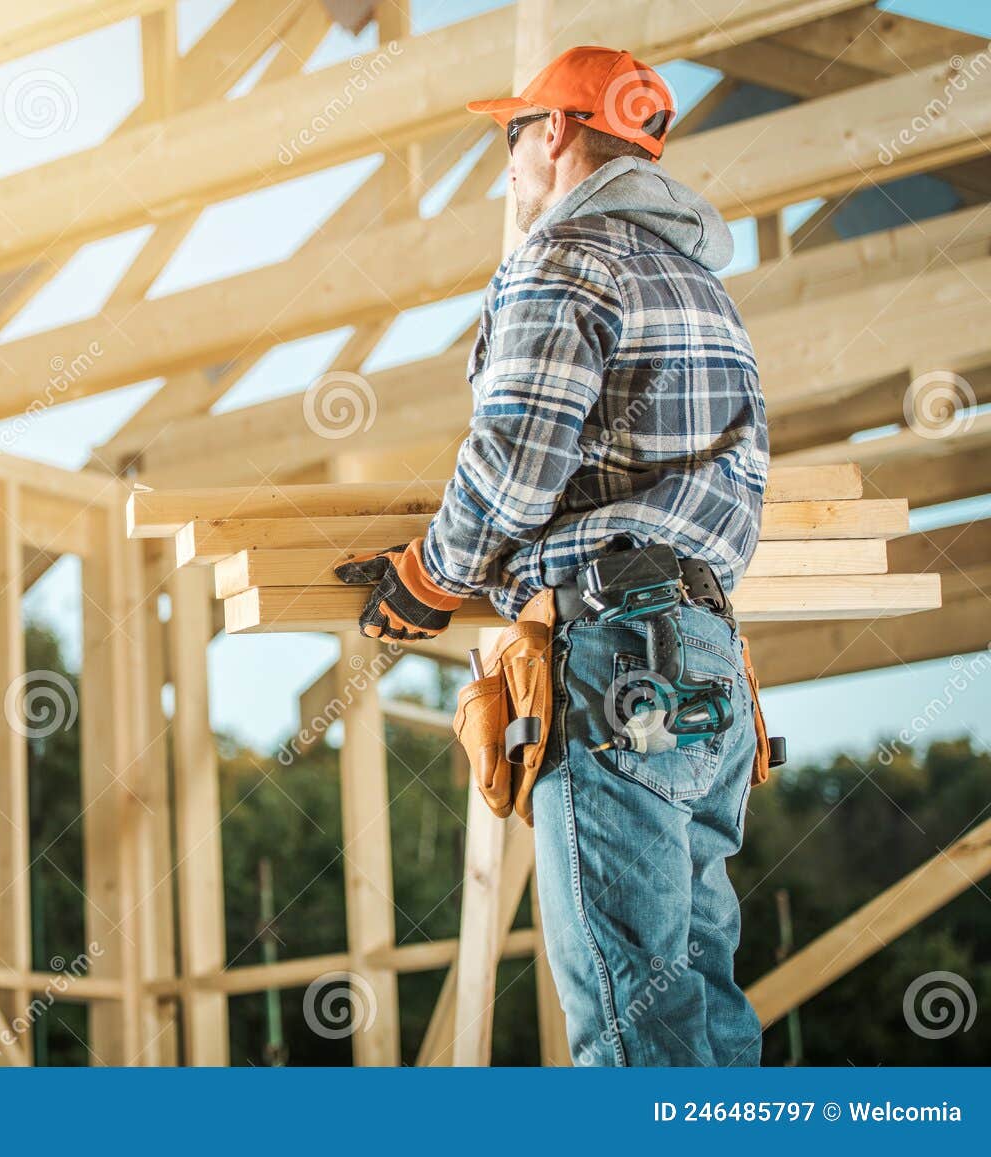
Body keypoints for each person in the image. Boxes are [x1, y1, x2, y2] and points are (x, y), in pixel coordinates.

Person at [336, 46, 769, 1066]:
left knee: (629, 1023)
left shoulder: (565, 256)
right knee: (699, 1000)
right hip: (705, 657)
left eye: (513, 135)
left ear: (559, 130)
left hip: (614, 656)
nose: (509, 163)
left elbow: (517, 460)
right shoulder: (702, 288)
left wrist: (432, 575)